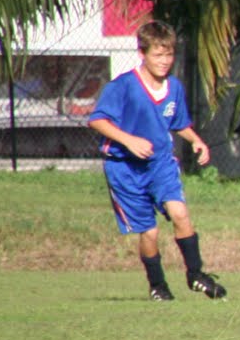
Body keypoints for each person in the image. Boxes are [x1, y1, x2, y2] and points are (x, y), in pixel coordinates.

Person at [88, 21, 227, 301]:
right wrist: (129, 140)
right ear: (142, 53)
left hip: (160, 164)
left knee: (180, 214)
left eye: (169, 55)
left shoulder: (173, 87)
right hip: (124, 168)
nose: (164, 61)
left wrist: (196, 140)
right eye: (158, 55)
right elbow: (97, 120)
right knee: (149, 232)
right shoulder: (123, 86)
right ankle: (158, 285)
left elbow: (178, 122)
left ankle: (196, 275)